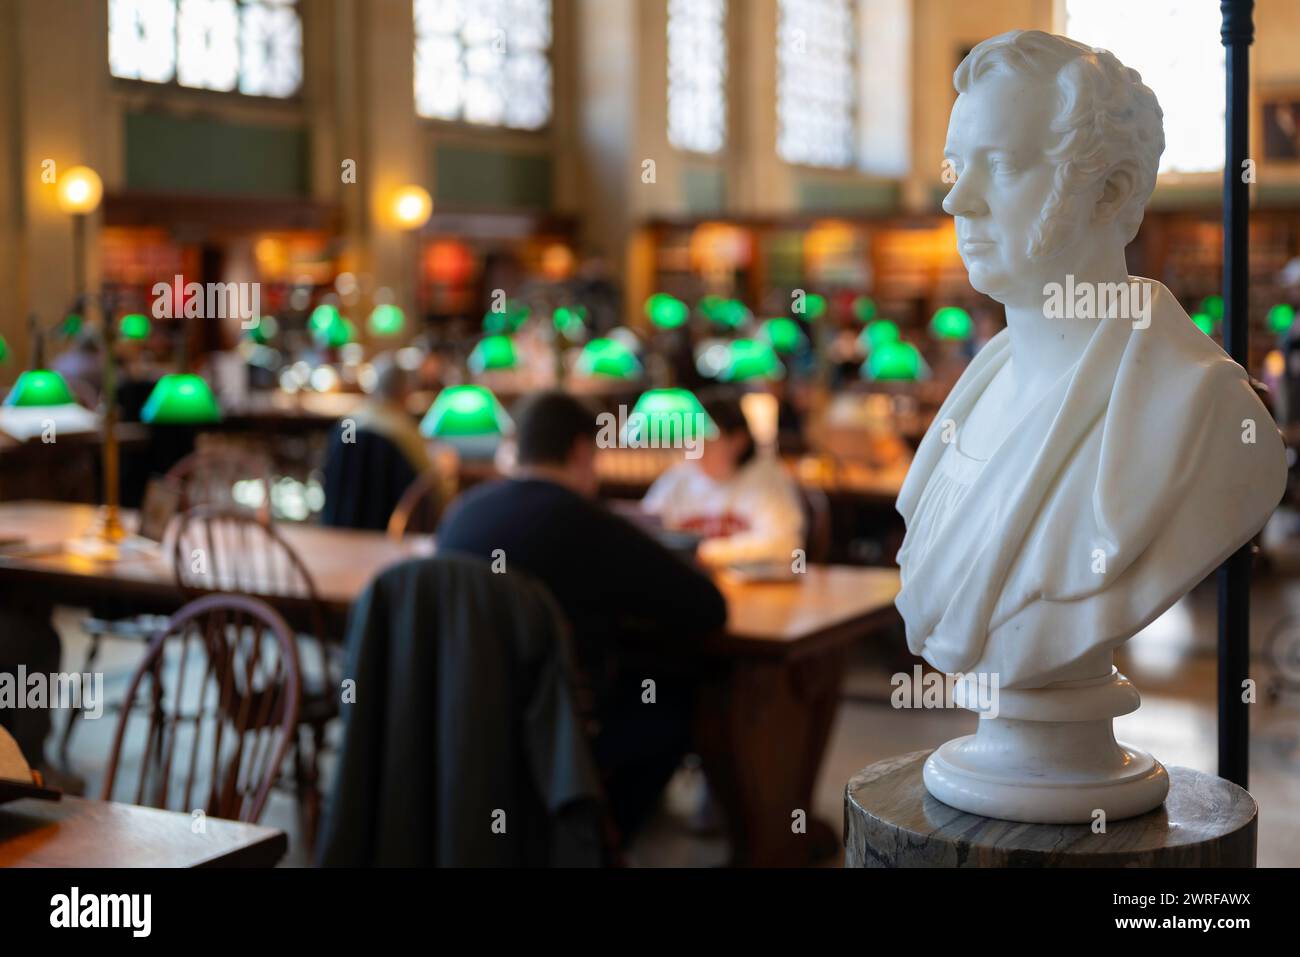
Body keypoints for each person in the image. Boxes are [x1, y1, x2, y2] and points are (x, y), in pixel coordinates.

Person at [436, 390, 727, 839]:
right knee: (676, 697)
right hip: (562, 728)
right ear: (579, 450)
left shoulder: (461, 514)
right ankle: (600, 838)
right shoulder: (589, 524)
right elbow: (708, 609)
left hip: (462, 712)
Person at [642, 392, 804, 568]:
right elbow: (643, 532)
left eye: (706, 438)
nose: (696, 446)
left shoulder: (768, 479)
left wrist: (708, 553)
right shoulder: (676, 478)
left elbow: (786, 546)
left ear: (738, 440)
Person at [322, 355, 437, 531]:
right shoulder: (405, 431)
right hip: (390, 534)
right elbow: (432, 487)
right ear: (406, 392)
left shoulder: (347, 424)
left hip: (337, 528)